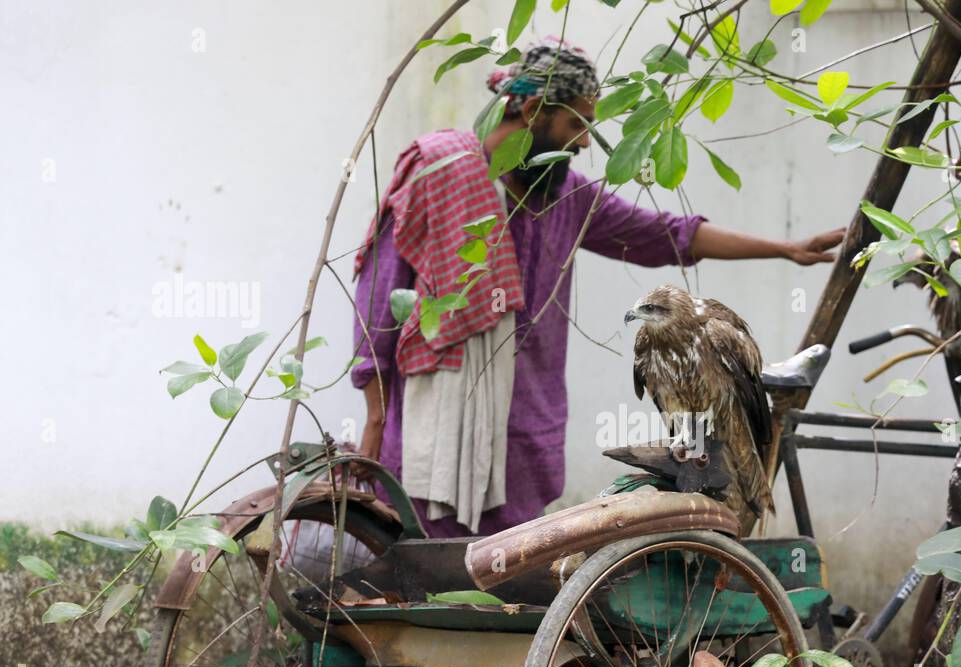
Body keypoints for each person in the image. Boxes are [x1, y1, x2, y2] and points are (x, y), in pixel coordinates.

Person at [352, 37, 843, 537]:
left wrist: (786, 248)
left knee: (507, 590)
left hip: (526, 439)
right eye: (576, 124)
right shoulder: (443, 174)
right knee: (416, 580)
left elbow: (668, 234)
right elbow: (378, 295)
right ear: (535, 108)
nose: (585, 142)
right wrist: (374, 413)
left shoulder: (568, 198)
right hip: (433, 437)